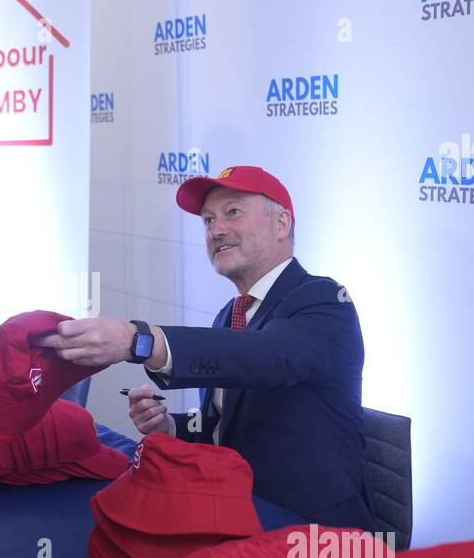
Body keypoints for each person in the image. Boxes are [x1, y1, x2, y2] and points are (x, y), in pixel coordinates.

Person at [37, 165, 377, 530]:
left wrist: (138, 340)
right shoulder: (229, 315)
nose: (216, 230)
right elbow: (225, 431)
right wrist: (168, 426)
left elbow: (263, 356)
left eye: (233, 212)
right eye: (207, 220)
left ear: (281, 224)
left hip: (314, 535)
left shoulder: (325, 301)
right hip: (238, 516)